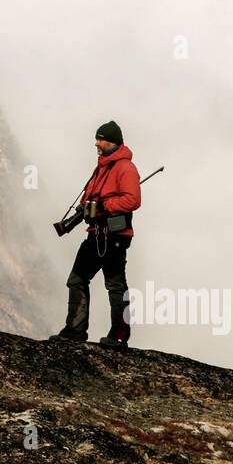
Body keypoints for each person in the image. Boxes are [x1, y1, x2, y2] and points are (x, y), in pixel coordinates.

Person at [51, 120, 141, 348]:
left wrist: (103, 206)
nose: (96, 143)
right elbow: (91, 196)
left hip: (115, 236)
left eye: (100, 139)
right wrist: (87, 207)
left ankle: (119, 335)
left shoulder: (125, 168)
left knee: (115, 285)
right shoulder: (101, 167)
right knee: (77, 279)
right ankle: (75, 331)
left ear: (112, 142)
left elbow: (133, 200)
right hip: (96, 233)